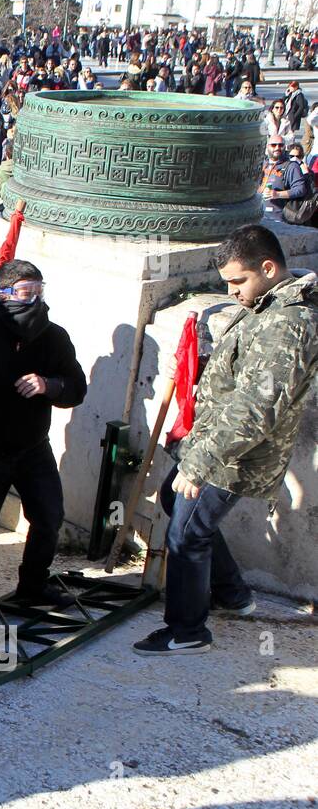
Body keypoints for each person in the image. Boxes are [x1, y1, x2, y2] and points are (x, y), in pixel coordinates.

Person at [135, 226, 318, 654]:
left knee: (186, 533)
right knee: (173, 500)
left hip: (234, 452)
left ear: (268, 268)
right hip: (216, 441)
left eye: (238, 281)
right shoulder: (265, 304)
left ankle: (187, 630)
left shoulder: (287, 323)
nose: (232, 292)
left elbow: (257, 407)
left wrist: (198, 464)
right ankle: (233, 593)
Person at [0, 259, 87, 611]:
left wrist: (49, 385)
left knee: (49, 516)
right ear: (3, 295)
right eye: (26, 293)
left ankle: (34, 583)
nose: (33, 301)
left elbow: (76, 387)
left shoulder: (53, 336)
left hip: (32, 447)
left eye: (38, 292)